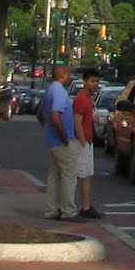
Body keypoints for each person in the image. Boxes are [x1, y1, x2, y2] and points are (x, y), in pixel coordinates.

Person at [40, 65, 78, 221]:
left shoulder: (49, 90)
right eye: (69, 75)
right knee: (69, 175)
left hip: (51, 140)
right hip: (61, 141)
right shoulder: (60, 92)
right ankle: (68, 211)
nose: (70, 78)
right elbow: (56, 115)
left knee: (54, 176)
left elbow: (40, 113)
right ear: (63, 75)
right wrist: (64, 137)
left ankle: (51, 209)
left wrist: (48, 128)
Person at [72, 70, 103, 219]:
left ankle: (86, 206)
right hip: (82, 142)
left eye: (97, 81)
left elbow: (90, 119)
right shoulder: (81, 98)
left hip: (89, 141)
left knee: (87, 174)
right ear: (85, 81)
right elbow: (77, 121)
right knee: (79, 174)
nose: (95, 84)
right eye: (92, 81)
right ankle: (77, 206)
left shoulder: (89, 99)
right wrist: (83, 141)